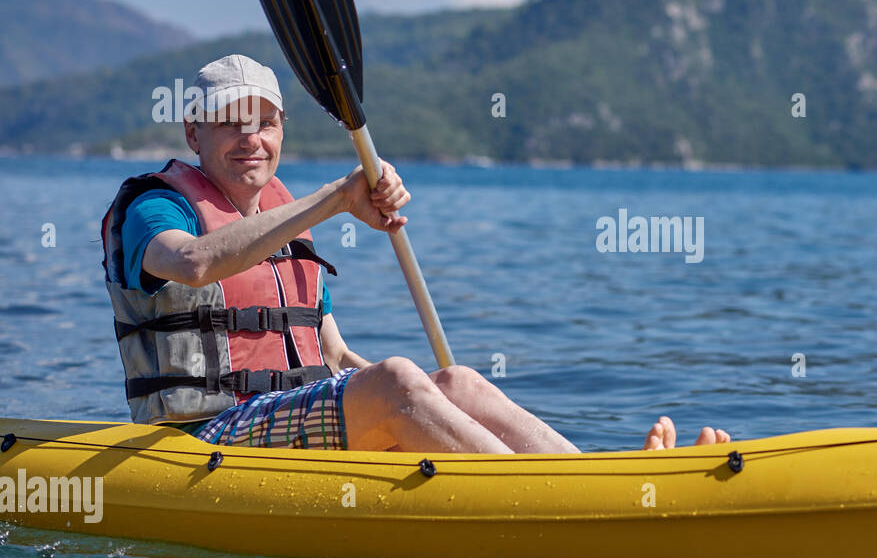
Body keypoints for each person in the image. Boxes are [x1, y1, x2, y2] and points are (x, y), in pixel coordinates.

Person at [101, 54, 729, 454]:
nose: (250, 138)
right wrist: (339, 197)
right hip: (198, 438)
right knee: (399, 377)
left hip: (291, 421)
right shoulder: (156, 207)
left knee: (453, 380)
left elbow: (335, 354)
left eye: (264, 122)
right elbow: (193, 264)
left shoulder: (284, 215)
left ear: (282, 131)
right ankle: (546, 502)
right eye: (229, 121)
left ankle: (591, 479)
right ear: (193, 131)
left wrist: (428, 403)